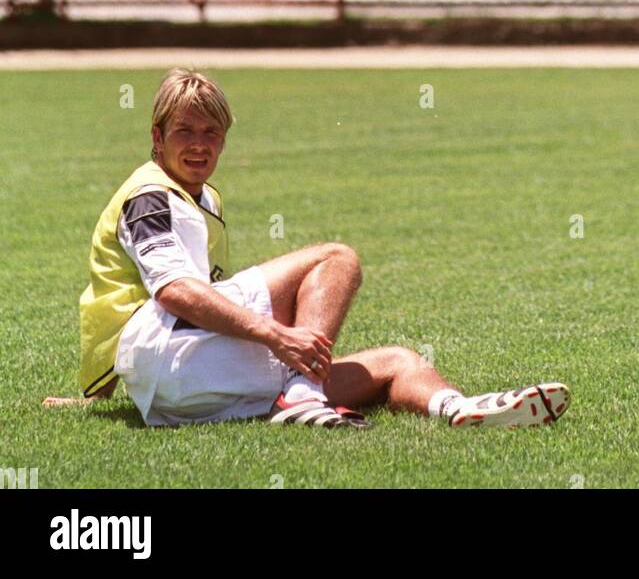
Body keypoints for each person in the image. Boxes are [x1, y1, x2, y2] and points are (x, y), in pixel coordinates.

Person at [70, 68, 568, 430]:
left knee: (396, 361)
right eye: (185, 131)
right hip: (168, 356)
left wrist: (104, 398)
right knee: (336, 259)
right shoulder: (151, 196)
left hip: (181, 389)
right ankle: (304, 394)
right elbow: (174, 291)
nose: (199, 144)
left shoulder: (198, 194)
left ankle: (460, 409)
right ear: (156, 136)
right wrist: (274, 335)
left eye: (211, 133)